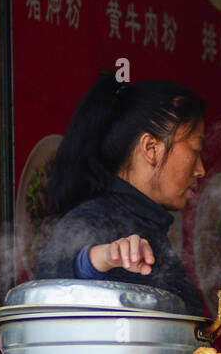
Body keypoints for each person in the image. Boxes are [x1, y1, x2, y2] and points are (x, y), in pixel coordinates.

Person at [34, 75, 207, 313]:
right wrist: (99, 258)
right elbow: (51, 275)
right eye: (196, 150)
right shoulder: (95, 218)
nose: (201, 170)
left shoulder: (146, 224)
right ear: (151, 148)